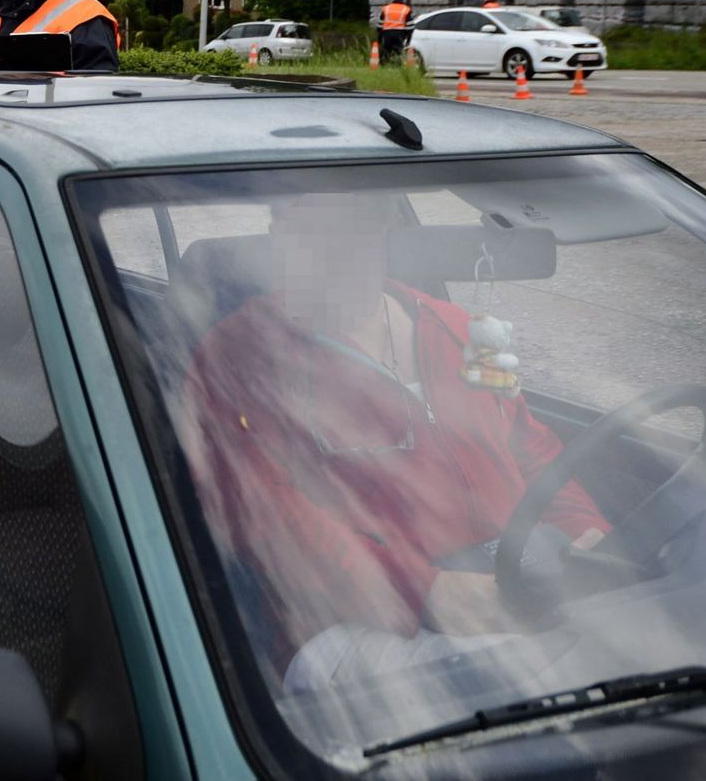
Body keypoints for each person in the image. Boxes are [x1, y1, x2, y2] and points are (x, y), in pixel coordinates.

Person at [181, 193, 610, 689]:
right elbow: (267, 515)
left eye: (357, 220)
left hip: (507, 589)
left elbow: (531, 449)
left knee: (625, 628)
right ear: (281, 231)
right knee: (573, 665)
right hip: (349, 628)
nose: (338, 244)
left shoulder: (463, 329)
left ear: (385, 224)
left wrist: (583, 531)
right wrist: (423, 591)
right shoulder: (237, 354)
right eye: (315, 223)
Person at [378, 0, 413, 66]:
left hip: (387, 33)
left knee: (386, 50)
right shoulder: (406, 9)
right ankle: (397, 65)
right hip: (400, 33)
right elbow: (410, 26)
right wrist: (408, 38)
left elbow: (380, 24)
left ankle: (383, 65)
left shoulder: (386, 8)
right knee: (398, 51)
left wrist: (379, 37)